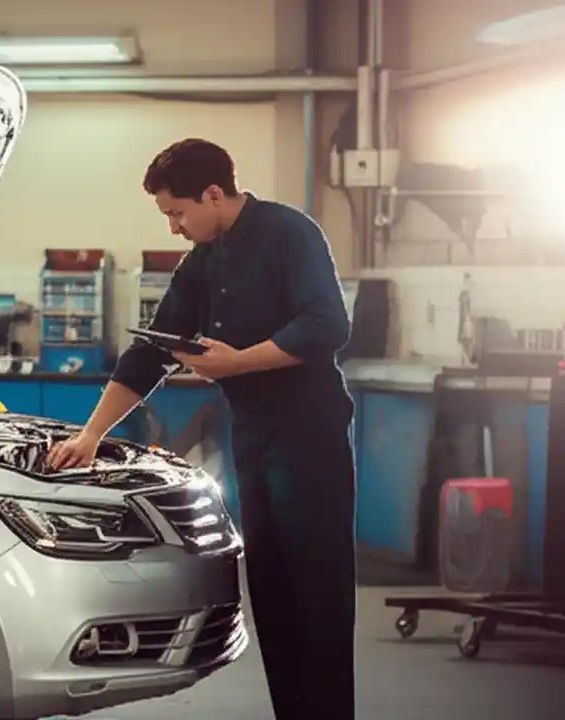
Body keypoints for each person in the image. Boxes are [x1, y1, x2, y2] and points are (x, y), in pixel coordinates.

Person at [47, 138, 357, 719]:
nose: (174, 227)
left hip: (308, 435)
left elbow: (327, 325)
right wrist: (90, 436)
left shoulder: (292, 234)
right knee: (271, 592)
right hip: (254, 433)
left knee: (318, 592)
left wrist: (237, 361)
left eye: (177, 213)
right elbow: (150, 353)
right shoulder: (200, 263)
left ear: (215, 193)